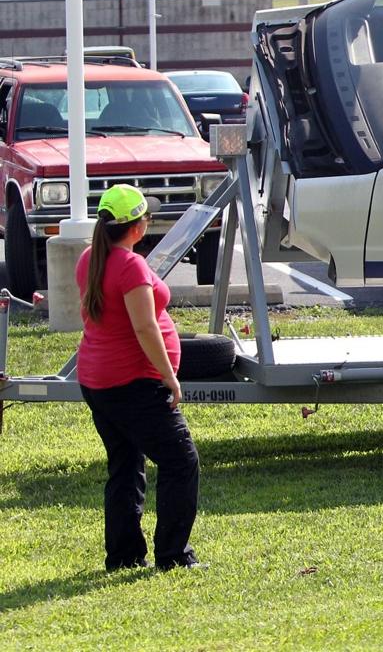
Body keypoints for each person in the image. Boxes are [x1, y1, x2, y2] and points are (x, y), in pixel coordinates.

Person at [75, 183, 201, 572]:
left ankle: (124, 556)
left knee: (125, 464)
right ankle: (173, 555)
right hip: (133, 383)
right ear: (137, 226)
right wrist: (169, 377)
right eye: (147, 215)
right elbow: (145, 328)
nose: (149, 220)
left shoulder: (89, 258)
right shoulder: (129, 266)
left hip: (98, 381)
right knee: (181, 461)